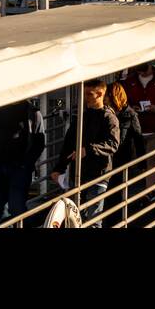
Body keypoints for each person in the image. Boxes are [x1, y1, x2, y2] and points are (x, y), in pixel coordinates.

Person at [51, 78, 121, 221]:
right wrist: (59, 168)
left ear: (100, 94)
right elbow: (68, 145)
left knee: (93, 218)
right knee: (75, 218)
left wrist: (88, 149)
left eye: (89, 94)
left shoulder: (109, 118)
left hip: (98, 174)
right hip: (78, 173)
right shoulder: (81, 117)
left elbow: (113, 144)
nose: (85, 98)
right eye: (85, 94)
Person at [105, 82, 147, 223]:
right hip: (105, 160)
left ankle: (116, 222)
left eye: (106, 96)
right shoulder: (104, 113)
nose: (104, 98)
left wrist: (142, 164)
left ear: (113, 96)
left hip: (121, 160)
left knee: (117, 194)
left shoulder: (130, 115)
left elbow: (138, 139)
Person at [122, 61, 155, 151]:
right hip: (136, 130)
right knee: (136, 163)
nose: (142, 73)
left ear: (150, 65)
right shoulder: (130, 80)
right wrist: (131, 108)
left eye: (145, 70)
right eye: (140, 71)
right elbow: (124, 101)